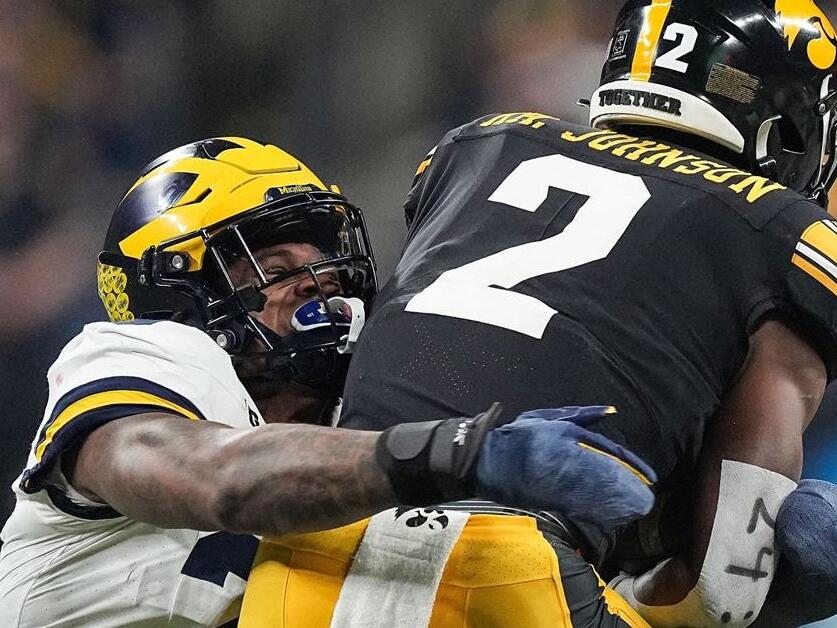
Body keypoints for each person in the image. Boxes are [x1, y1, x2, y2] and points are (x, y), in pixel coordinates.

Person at [241, 1, 837, 626]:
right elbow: (726, 588)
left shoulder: (476, 145)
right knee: (813, 540)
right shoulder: (788, 235)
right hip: (513, 574)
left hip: (309, 546)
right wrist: (623, 585)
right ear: (785, 118)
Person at [0, 137, 656, 627]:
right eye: (276, 262)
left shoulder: (362, 414)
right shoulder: (148, 356)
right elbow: (215, 477)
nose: (321, 279)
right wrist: (456, 452)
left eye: (326, 257)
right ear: (180, 294)